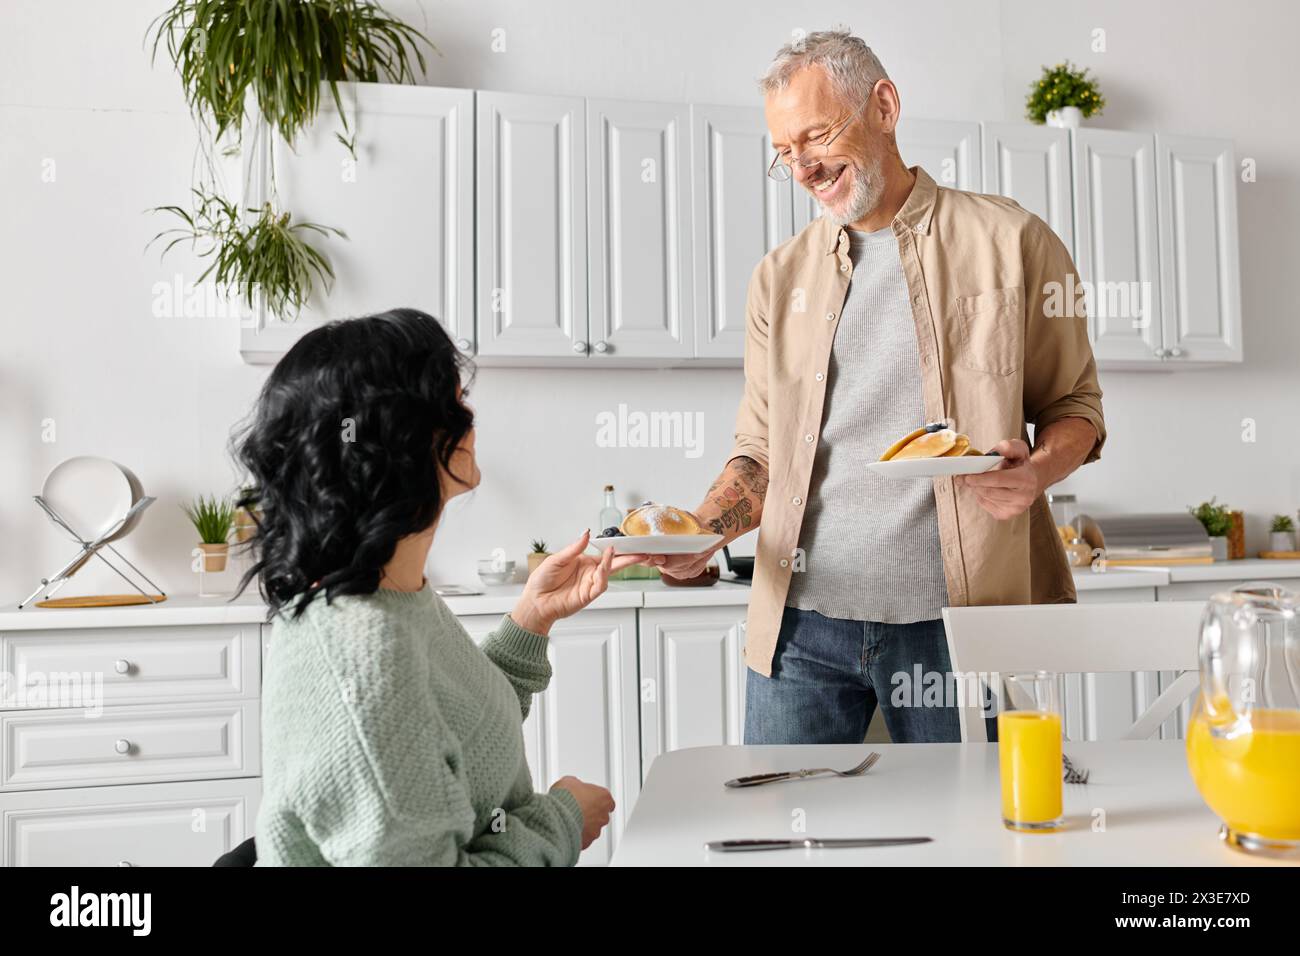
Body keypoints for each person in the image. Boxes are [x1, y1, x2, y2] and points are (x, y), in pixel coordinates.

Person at [650, 29, 1106, 745]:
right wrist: (702, 532)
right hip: (798, 627)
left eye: (816, 134)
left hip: (957, 626)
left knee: (972, 842)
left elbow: (1075, 407)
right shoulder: (779, 279)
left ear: (884, 106)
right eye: (783, 152)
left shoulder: (1013, 241)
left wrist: (1037, 473)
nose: (801, 166)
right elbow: (760, 452)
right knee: (785, 838)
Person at [234, 308, 644, 865]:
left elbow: (455, 735)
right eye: (452, 405)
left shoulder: (391, 597)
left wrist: (532, 618)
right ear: (394, 440)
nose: (469, 417)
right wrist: (562, 820)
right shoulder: (359, 656)